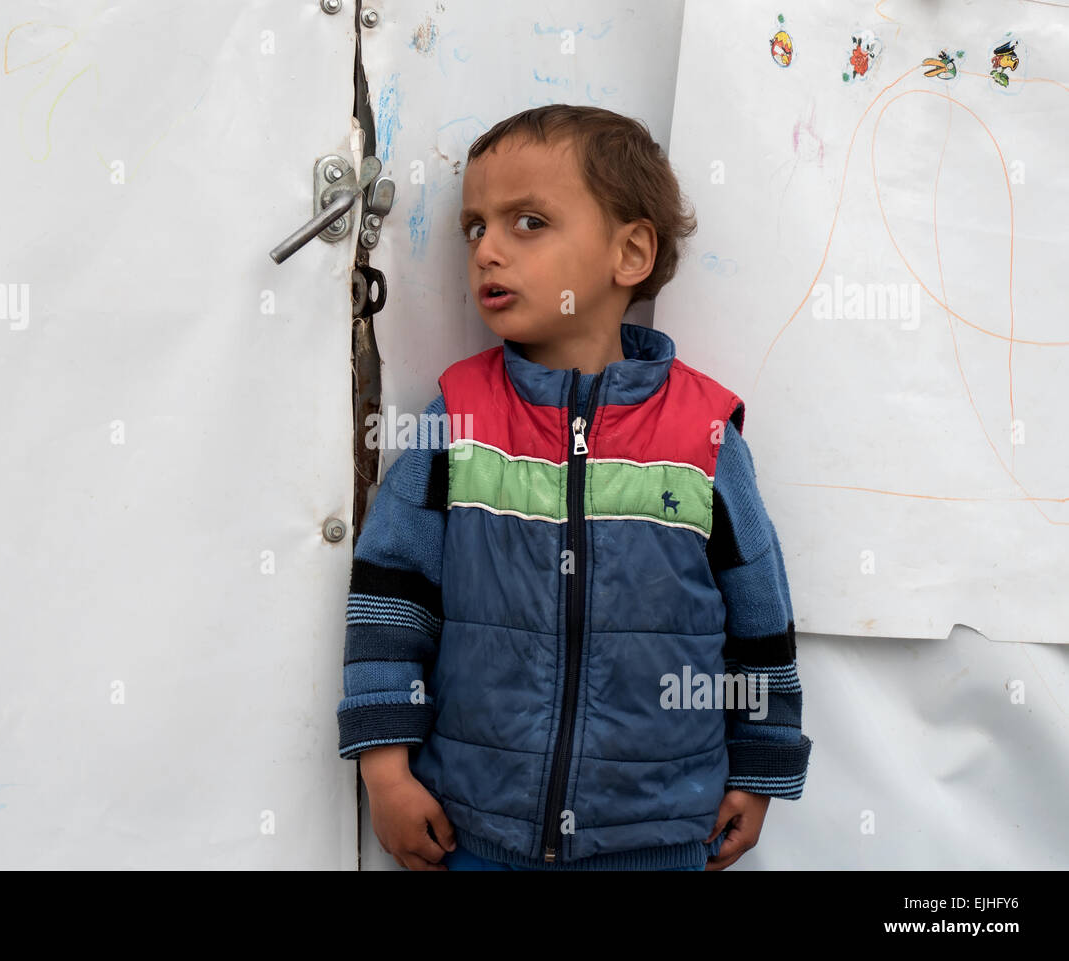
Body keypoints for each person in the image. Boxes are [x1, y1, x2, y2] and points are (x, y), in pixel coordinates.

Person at [337, 104, 812, 871]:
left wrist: (761, 767)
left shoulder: (705, 433)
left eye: (527, 222)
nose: (487, 249)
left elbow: (761, 622)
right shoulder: (458, 420)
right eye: (474, 228)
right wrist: (385, 768)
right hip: (476, 832)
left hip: (657, 837)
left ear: (630, 252)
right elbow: (388, 600)